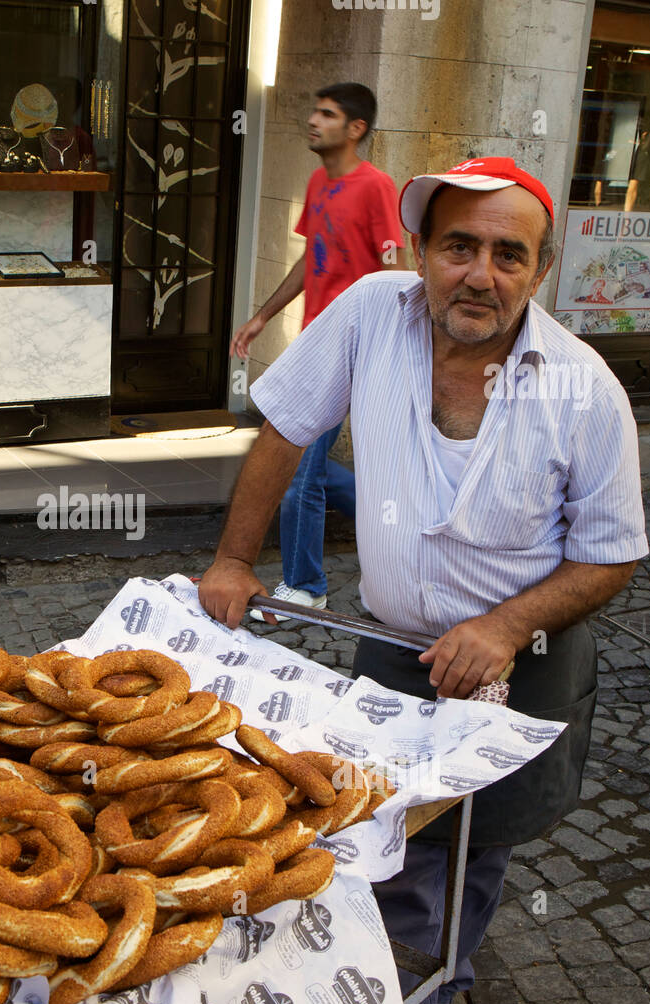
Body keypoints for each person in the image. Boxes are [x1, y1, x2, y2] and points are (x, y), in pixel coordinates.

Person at [200, 156, 649, 1004]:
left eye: (509, 255)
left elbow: (612, 556)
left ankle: (430, 982)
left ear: (540, 269)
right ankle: (385, 968)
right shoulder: (372, 313)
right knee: (364, 826)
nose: (481, 274)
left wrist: (508, 625)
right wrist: (230, 560)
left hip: (523, 659)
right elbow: (286, 428)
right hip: (394, 642)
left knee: (474, 843)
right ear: (419, 249)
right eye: (459, 246)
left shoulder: (585, 389)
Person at [230, 82, 405, 615]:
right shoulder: (319, 181)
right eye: (314, 109)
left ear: (355, 129)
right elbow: (312, 261)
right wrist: (263, 315)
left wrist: (392, 346)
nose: (313, 120)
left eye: (326, 114)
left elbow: (395, 267)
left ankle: (306, 586)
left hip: (354, 350)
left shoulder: (376, 187)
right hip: (316, 346)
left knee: (297, 472)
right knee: (316, 467)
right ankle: (399, 520)